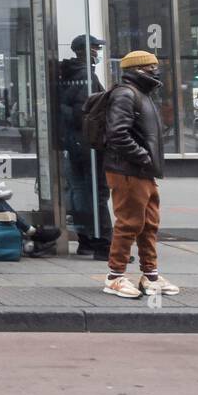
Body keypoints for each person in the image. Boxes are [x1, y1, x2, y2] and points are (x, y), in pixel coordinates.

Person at [101, 50, 177, 298]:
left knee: (149, 224)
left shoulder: (141, 94)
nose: (156, 71)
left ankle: (150, 274)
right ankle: (115, 276)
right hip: (128, 170)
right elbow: (117, 134)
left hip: (141, 171)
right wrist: (143, 157)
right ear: (138, 70)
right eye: (151, 67)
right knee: (130, 223)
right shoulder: (126, 94)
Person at [58, 34, 112, 259]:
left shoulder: (66, 74)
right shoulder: (86, 76)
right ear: (84, 51)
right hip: (88, 144)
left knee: (80, 192)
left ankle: (86, 239)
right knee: (97, 191)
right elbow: (87, 112)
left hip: (73, 142)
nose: (97, 53)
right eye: (95, 49)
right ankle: (104, 243)